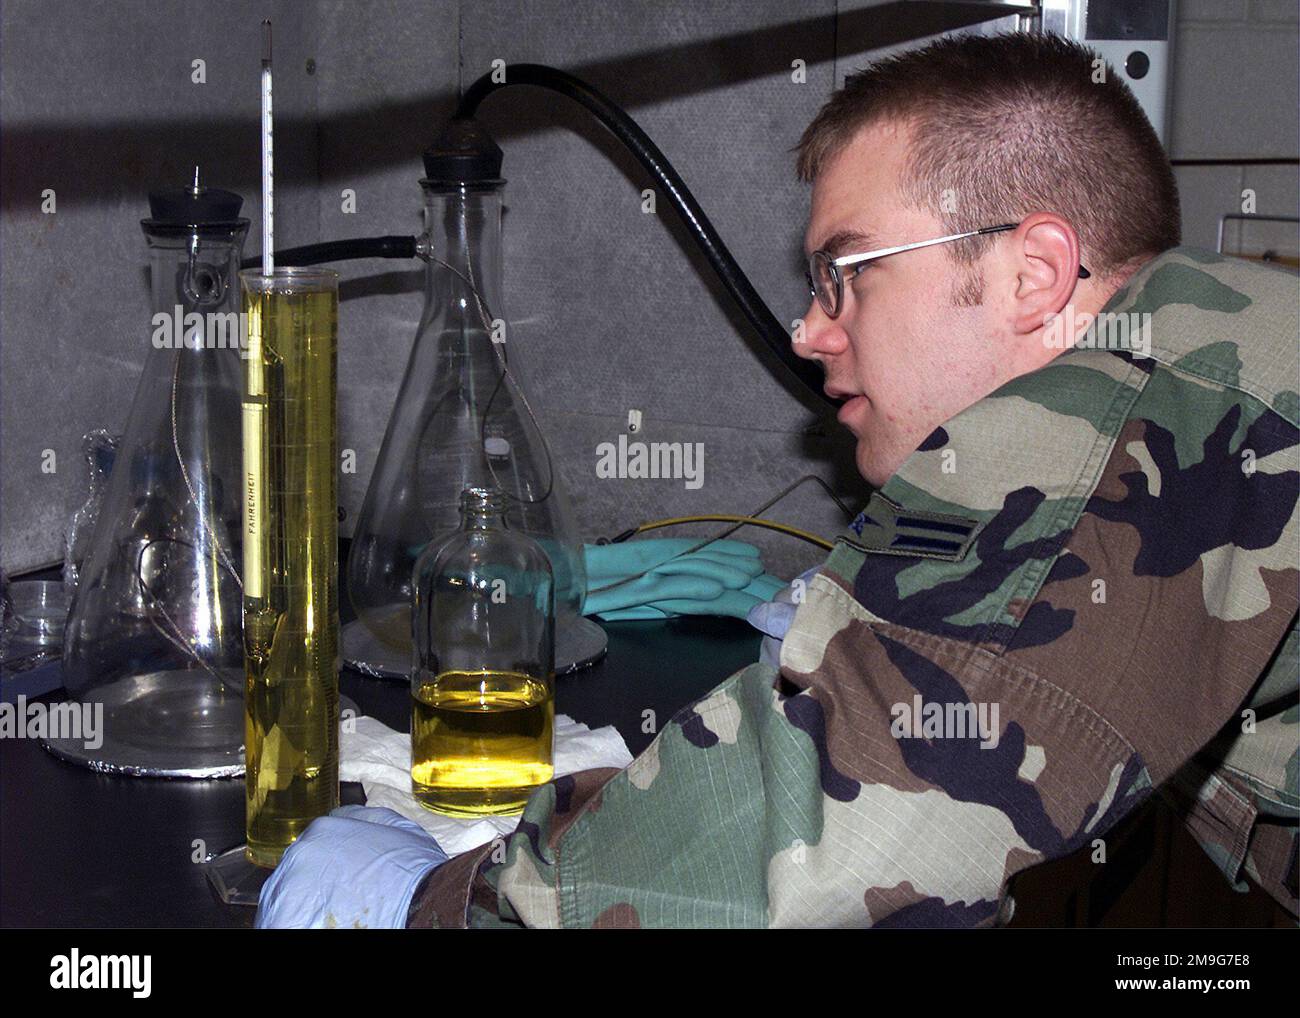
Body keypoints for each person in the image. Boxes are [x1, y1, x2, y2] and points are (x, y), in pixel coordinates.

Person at [257, 32, 1299, 929]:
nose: (808, 332)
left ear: (1032, 275)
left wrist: (439, 904)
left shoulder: (1168, 374)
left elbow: (841, 833)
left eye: (847, 273)